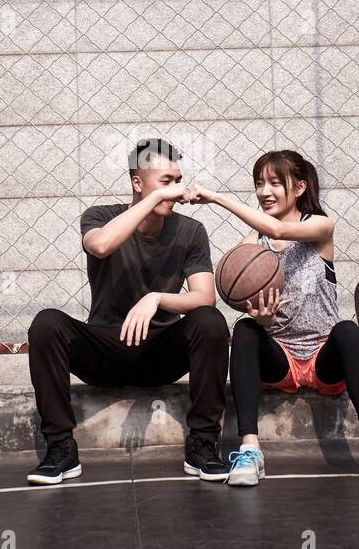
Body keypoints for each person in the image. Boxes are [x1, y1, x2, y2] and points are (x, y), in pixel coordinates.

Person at [183, 149, 359, 489]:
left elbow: (276, 229)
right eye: (259, 183)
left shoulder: (320, 226)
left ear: (300, 187)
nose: (264, 192)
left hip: (323, 359)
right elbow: (237, 284)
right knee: (244, 330)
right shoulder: (253, 242)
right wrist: (258, 318)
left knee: (347, 330)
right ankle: (249, 450)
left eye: (275, 183)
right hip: (282, 360)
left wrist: (215, 197)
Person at [25, 138, 230, 485]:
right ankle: (61, 448)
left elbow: (204, 297)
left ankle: (203, 444)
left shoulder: (190, 231)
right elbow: (101, 245)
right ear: (138, 183)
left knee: (210, 322)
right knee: (46, 324)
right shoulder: (100, 216)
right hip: (106, 349)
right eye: (166, 181)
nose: (175, 189)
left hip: (160, 352)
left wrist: (157, 298)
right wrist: (153, 200)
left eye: (178, 180)